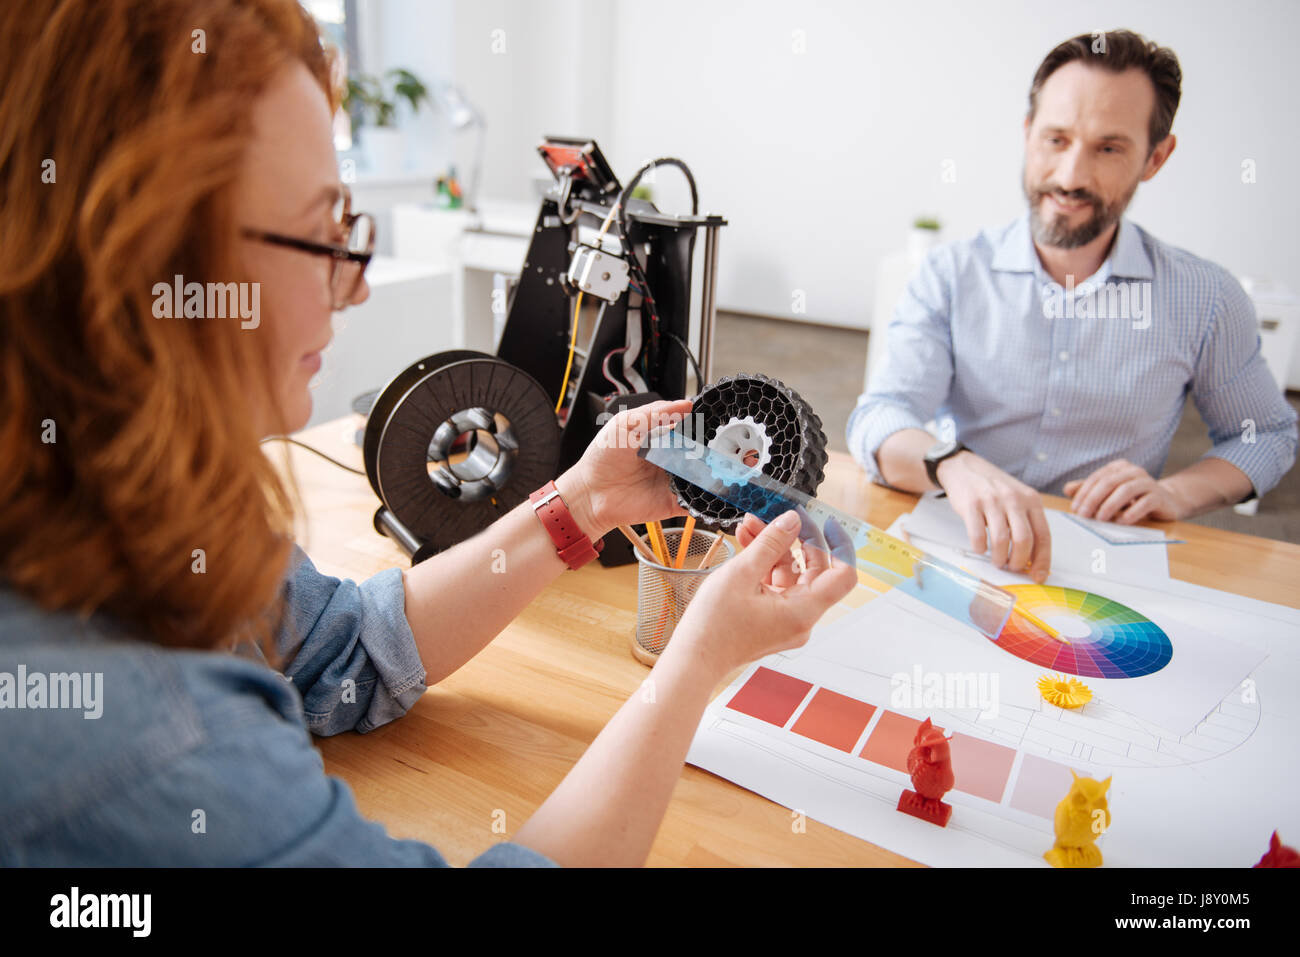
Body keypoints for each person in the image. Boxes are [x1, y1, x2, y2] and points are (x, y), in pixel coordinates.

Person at [0, 0, 856, 867]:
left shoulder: (135, 507)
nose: (356, 287)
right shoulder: (136, 739)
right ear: (147, 257)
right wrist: (698, 659)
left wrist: (582, 500)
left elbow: (341, 645)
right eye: (320, 232)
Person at [848, 29, 1298, 583]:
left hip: (1105, 572)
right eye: (1056, 139)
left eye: (1109, 148)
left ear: (1155, 158)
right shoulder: (951, 274)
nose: (1070, 177)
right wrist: (952, 464)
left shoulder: (1206, 298)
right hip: (953, 550)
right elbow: (880, 417)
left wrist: (1174, 493)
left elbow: (1268, 436)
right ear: (1027, 133)